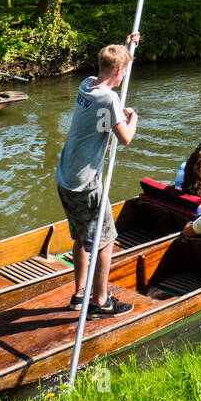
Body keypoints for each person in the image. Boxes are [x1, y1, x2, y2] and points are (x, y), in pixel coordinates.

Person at [56, 37, 140, 317]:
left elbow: (104, 113)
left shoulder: (87, 84)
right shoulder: (108, 98)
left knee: (81, 237)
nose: (125, 75)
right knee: (105, 241)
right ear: (118, 72)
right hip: (86, 184)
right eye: (124, 70)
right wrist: (133, 116)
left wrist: (128, 45)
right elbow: (125, 138)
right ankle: (101, 300)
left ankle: (80, 294)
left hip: (65, 177)